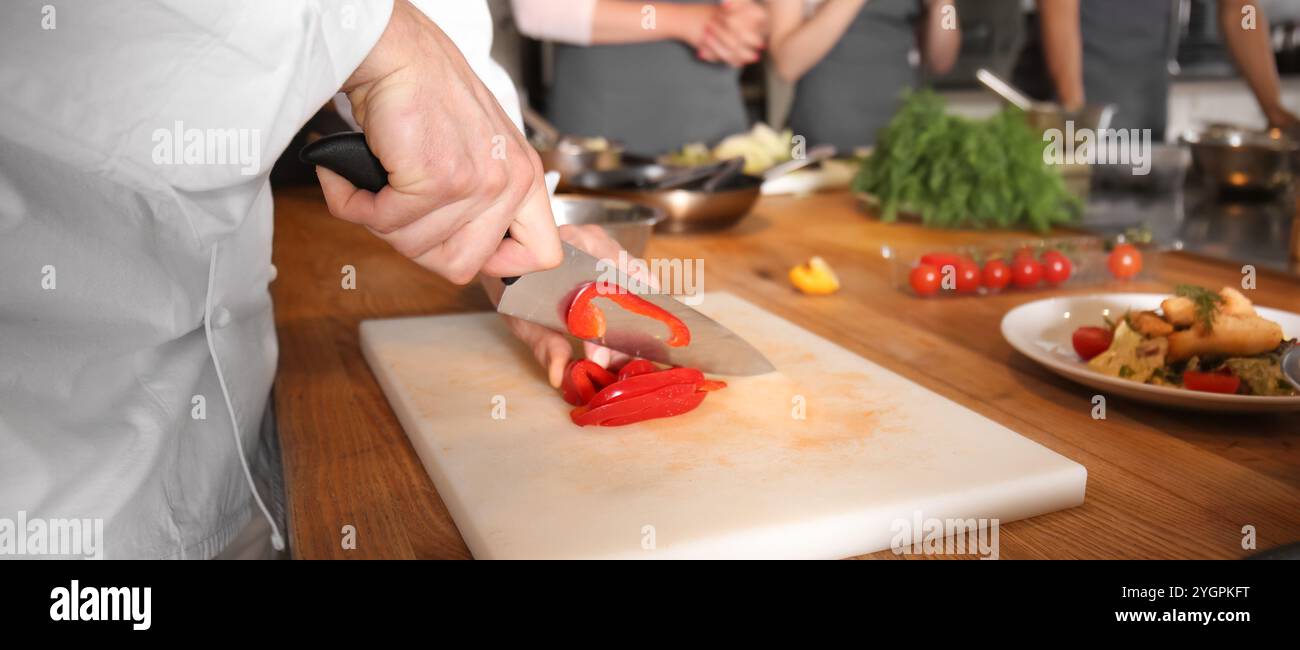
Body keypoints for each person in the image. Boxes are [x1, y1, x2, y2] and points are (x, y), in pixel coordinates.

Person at [0, 0, 627, 559]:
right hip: (49, 495)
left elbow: (432, 34)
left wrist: (503, 208)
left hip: (244, 457)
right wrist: (362, 27)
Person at [511, 0, 769, 154]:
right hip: (605, 150)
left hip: (720, 146)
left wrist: (750, 20)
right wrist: (684, 21)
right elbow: (537, 9)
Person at [1038, 0, 1299, 137]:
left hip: (1147, 124)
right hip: (1076, 122)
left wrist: (1273, 109)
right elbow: (1059, 6)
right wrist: (1074, 114)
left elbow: (1241, 11)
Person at [768, 0, 960, 152]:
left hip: (903, 139)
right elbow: (787, 65)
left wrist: (944, 4)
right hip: (822, 140)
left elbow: (943, 61)